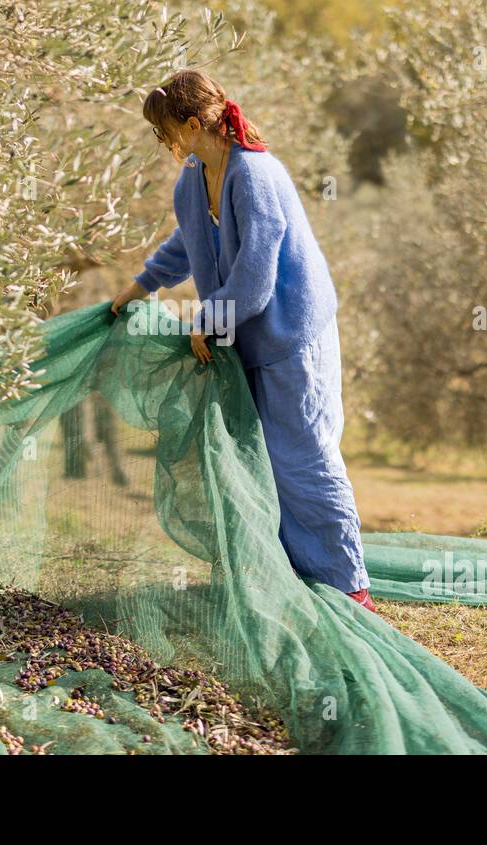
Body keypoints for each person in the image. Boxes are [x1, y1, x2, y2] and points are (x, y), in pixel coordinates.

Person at [111, 69, 374, 611]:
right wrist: (139, 287)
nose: (162, 143)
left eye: (164, 131)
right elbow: (186, 242)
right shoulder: (193, 174)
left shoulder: (255, 173)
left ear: (191, 123)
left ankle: (349, 586)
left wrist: (208, 320)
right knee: (261, 463)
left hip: (291, 335)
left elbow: (256, 275)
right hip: (244, 338)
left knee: (303, 459)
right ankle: (287, 578)